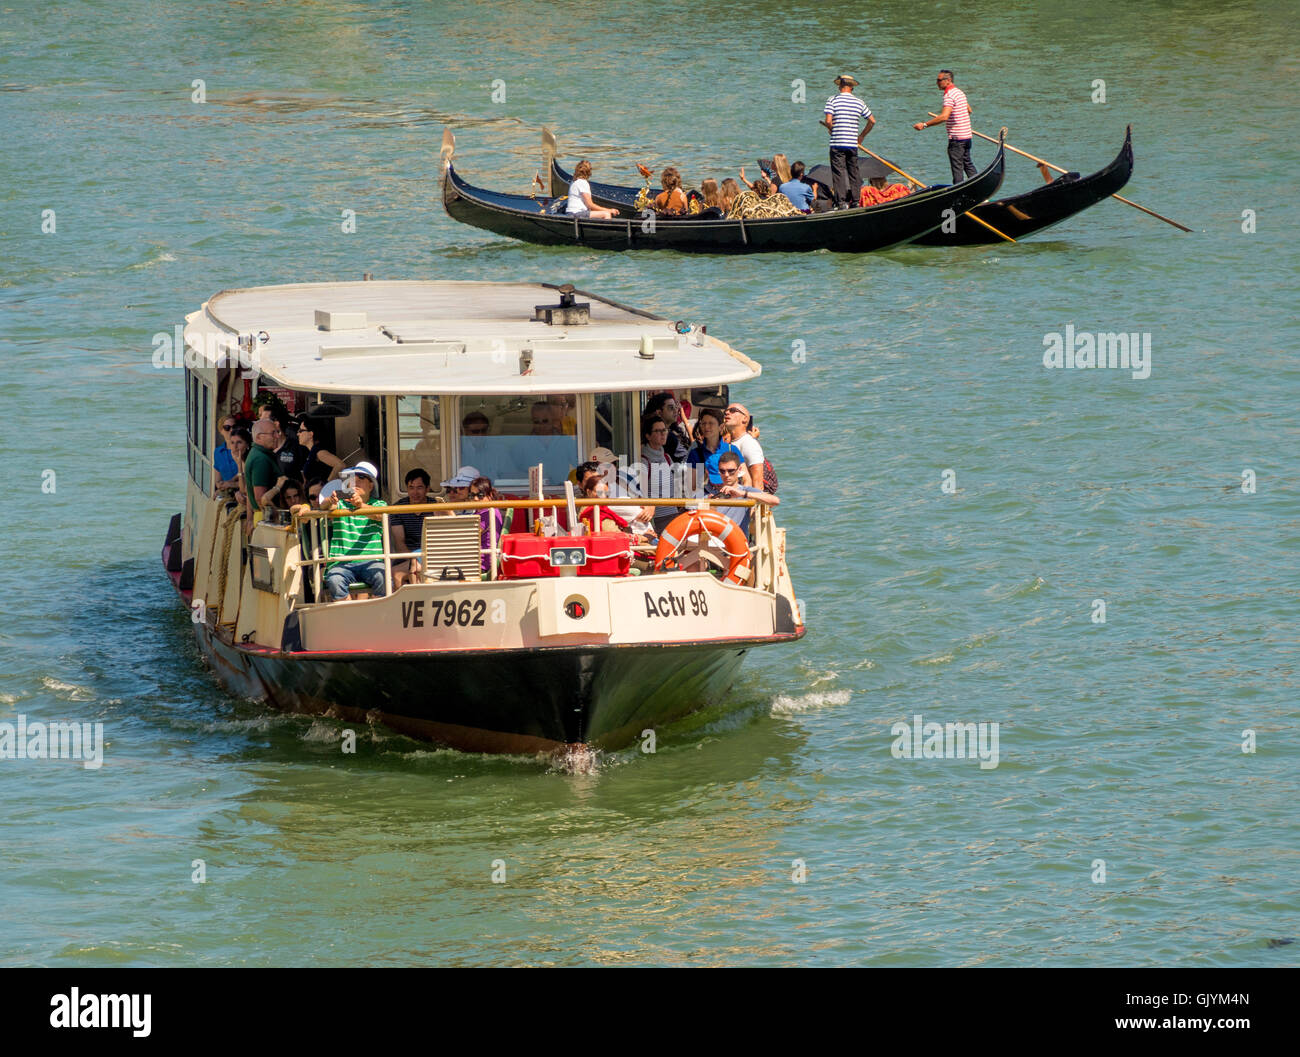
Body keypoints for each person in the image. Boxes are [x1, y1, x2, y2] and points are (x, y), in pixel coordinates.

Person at [319, 462, 388, 600]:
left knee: (383, 576)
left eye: (361, 478)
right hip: (341, 562)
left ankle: (378, 616)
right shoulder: (340, 503)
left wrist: (360, 505)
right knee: (335, 581)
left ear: (371, 485)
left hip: (371, 561)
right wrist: (330, 500)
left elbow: (379, 515)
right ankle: (350, 615)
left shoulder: (380, 504)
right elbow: (323, 506)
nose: (355, 482)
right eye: (352, 478)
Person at [822, 74, 875, 208]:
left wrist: (831, 129)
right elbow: (872, 121)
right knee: (854, 171)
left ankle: (841, 202)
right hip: (852, 143)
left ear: (840, 86)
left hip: (837, 143)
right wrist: (861, 136)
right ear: (851, 87)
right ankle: (856, 201)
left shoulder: (832, 100)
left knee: (839, 172)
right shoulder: (859, 102)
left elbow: (828, 121)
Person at [914, 69, 975, 183]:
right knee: (968, 165)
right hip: (967, 136)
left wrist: (924, 125)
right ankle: (978, 189)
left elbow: (944, 117)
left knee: (957, 170)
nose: (937, 83)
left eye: (939, 80)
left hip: (957, 139)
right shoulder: (959, 92)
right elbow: (969, 110)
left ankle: (959, 196)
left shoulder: (949, 95)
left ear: (948, 80)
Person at [706, 451, 779, 536]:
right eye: (722, 471)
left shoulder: (745, 491)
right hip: (713, 541)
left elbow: (775, 501)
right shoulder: (709, 494)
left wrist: (743, 494)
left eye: (731, 471)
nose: (726, 475)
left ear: (739, 469)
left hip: (736, 543)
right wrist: (710, 508)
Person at [389, 468, 433, 586]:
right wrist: (413, 561)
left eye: (419, 487)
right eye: (411, 488)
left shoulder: (436, 507)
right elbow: (400, 544)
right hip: (407, 556)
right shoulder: (398, 508)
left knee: (400, 572)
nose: (415, 492)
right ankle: (401, 604)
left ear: (427, 489)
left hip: (432, 555)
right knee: (395, 573)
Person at [685, 406, 745, 487]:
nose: (706, 427)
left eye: (711, 423)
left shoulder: (732, 449)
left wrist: (740, 495)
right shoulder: (695, 453)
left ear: (721, 427)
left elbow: (746, 479)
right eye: (704, 423)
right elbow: (691, 487)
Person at [243, 419, 281, 526]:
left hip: (262, 518)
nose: (277, 436)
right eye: (273, 433)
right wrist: (278, 519)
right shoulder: (260, 459)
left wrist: (250, 519)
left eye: (277, 432)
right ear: (259, 437)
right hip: (267, 520)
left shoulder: (258, 454)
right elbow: (260, 498)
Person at [722, 402, 765, 489]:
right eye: (726, 411)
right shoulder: (731, 443)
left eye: (733, 410)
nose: (727, 413)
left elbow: (758, 483)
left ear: (744, 419)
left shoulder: (749, 443)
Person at [468, 476, 505, 574]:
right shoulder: (480, 511)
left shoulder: (489, 512)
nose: (475, 499)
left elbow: (468, 535)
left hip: (481, 563)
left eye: (480, 495)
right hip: (474, 559)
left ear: (490, 495)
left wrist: (449, 512)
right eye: (472, 495)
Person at [297, 420, 344, 485]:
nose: (298, 434)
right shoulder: (313, 451)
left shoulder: (318, 451)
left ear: (311, 434)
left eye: (300, 431)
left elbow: (340, 465)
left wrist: (326, 487)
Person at [214, 415, 239, 490]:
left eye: (234, 427)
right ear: (221, 430)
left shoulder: (242, 449)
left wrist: (230, 484)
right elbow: (218, 482)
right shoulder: (218, 452)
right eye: (227, 428)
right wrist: (220, 486)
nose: (231, 430)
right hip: (227, 492)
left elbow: (249, 479)